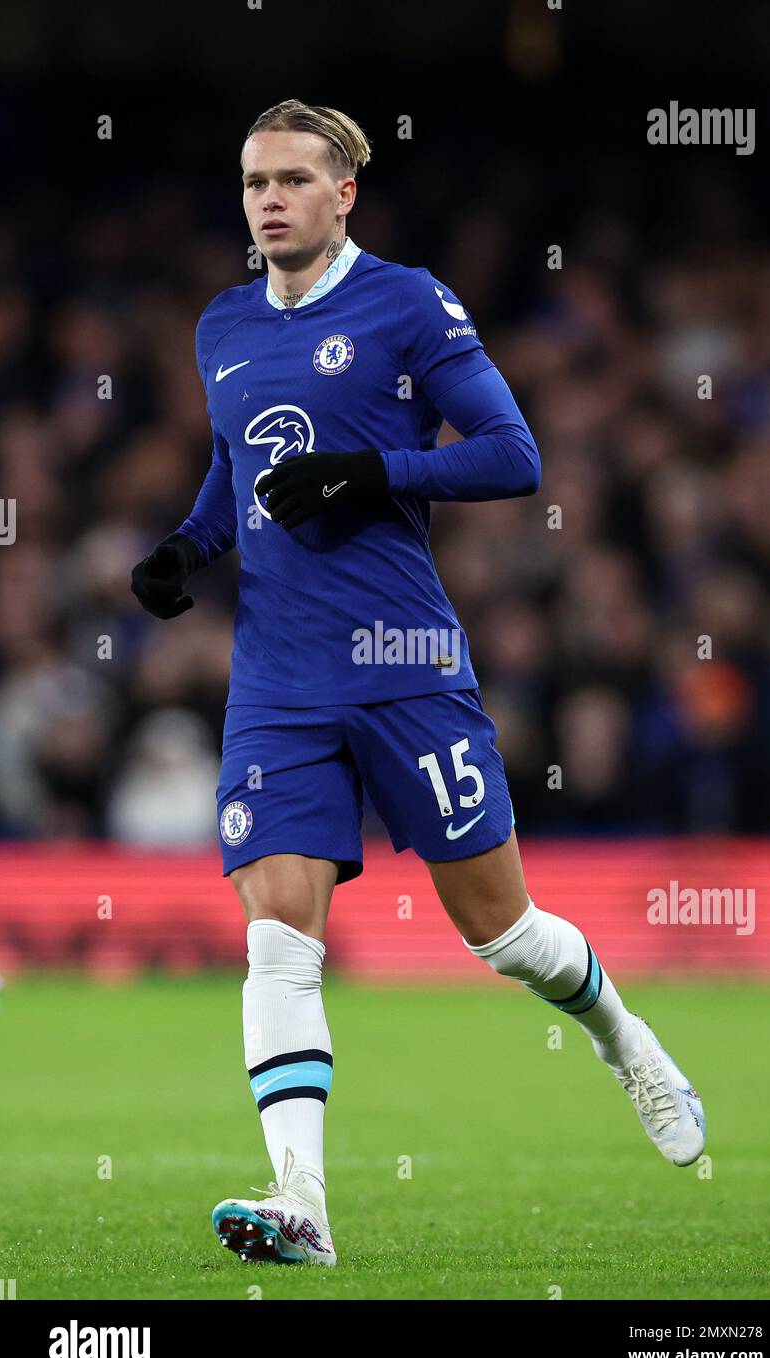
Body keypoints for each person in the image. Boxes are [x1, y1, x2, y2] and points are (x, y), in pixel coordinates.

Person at [131, 99, 705, 1268]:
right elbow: (238, 460)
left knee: (500, 933)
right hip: (278, 682)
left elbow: (511, 453)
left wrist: (371, 472)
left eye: (294, 179)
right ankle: (303, 1203)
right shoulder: (223, 323)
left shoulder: (406, 301)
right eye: (253, 182)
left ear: (346, 193)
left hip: (404, 667)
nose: (269, 199)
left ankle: (622, 1036)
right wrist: (191, 544)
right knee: (278, 939)